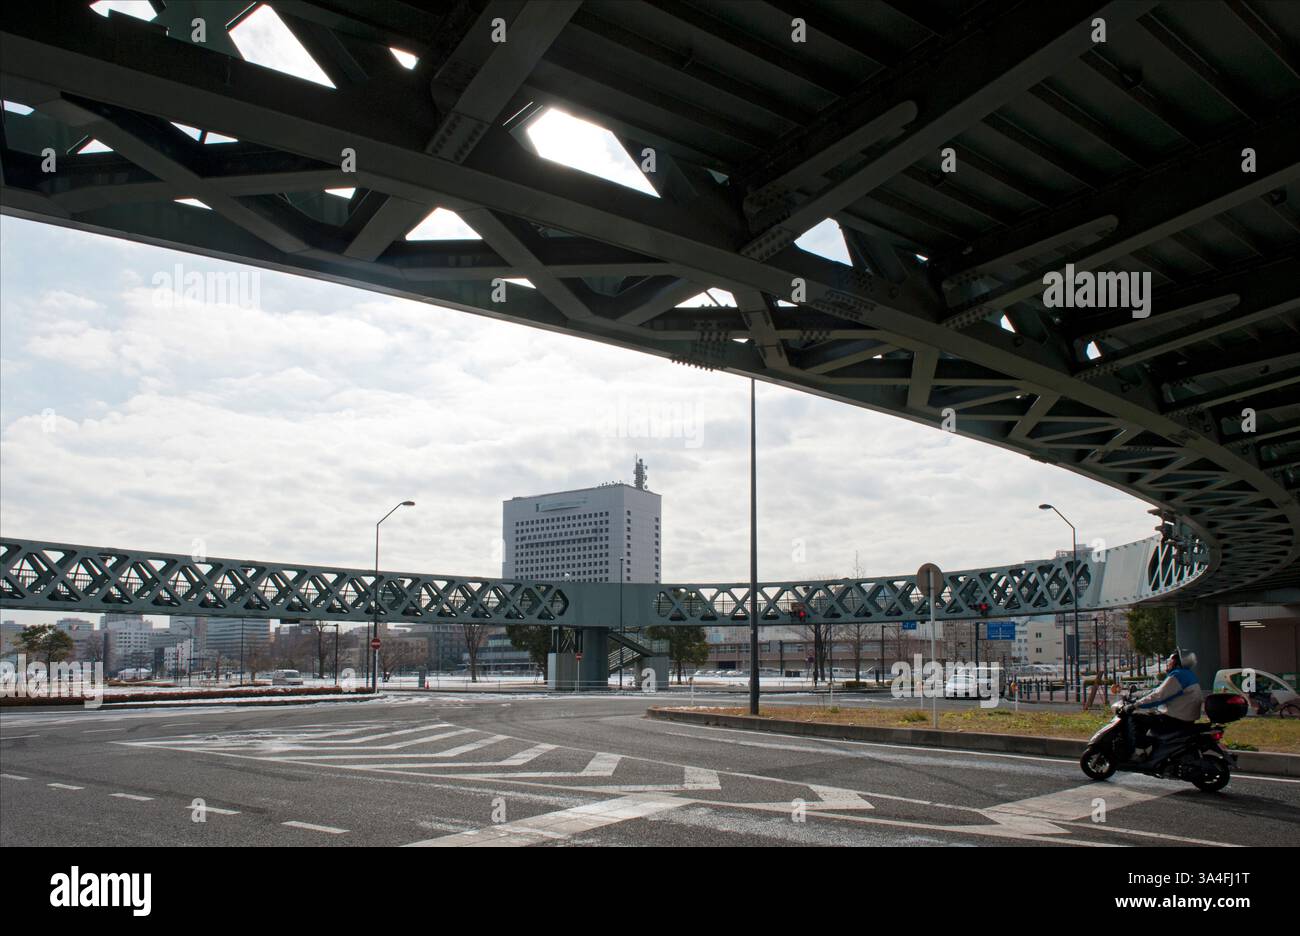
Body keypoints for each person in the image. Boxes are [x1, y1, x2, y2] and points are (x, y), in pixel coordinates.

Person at [1129, 649, 1202, 758]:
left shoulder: (1178, 675)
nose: (1168, 662)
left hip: (1175, 718)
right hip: (1185, 717)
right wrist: (1138, 695)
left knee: (1135, 718)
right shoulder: (1187, 674)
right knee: (1150, 717)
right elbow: (1157, 690)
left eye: (1170, 660)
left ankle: (1142, 751)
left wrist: (1136, 704)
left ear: (1178, 662)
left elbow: (1158, 696)